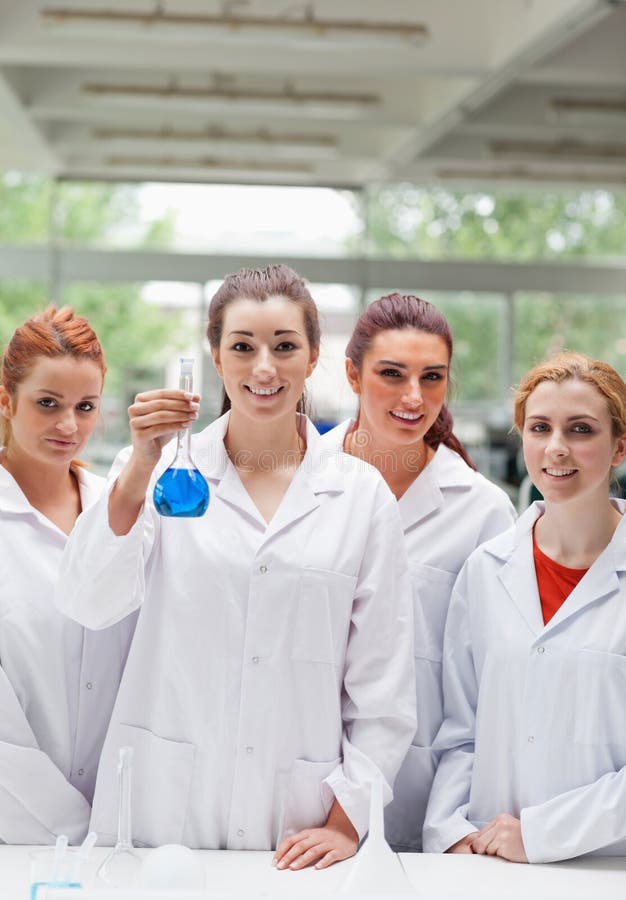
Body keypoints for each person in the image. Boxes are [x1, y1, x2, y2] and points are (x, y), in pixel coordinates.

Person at [56, 265, 416, 867]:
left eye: (284, 346)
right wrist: (140, 468)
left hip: (295, 827)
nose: (264, 367)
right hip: (160, 813)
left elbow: (383, 686)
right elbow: (89, 601)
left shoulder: (360, 495)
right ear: (216, 361)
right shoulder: (161, 473)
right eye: (242, 347)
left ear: (313, 358)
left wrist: (346, 821)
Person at [320, 293, 516, 851]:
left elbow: (490, 684)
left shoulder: (482, 511)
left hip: (419, 790)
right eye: (392, 374)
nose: (414, 397)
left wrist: (458, 820)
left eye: (433, 377)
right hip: (302, 783)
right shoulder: (302, 478)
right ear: (353, 376)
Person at [423, 351, 626, 863]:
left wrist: (541, 835)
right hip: (491, 864)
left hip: (606, 868)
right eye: (540, 428)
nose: (557, 448)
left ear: (619, 446)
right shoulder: (486, 570)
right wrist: (450, 831)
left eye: (581, 430)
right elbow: (461, 732)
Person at [0, 306, 136, 844]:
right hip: (12, 827)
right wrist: (71, 827)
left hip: (118, 822)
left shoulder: (120, 511)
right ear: (6, 402)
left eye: (86, 407)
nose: (68, 426)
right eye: (47, 404)